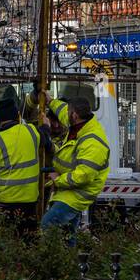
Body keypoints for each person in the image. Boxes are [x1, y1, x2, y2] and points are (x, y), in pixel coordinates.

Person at [43, 98, 110, 233]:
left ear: (74, 115)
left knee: (47, 224)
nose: (66, 113)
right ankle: (70, 254)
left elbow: (82, 176)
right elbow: (62, 111)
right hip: (69, 191)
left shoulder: (93, 142)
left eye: (69, 111)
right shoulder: (79, 124)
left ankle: (49, 254)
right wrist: (50, 101)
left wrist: (58, 180)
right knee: (68, 233)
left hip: (76, 195)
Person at [0, 94, 42, 227]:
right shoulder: (32, 131)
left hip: (5, 205)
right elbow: (45, 137)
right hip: (31, 202)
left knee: (3, 244)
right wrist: (45, 126)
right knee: (28, 242)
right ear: (17, 117)